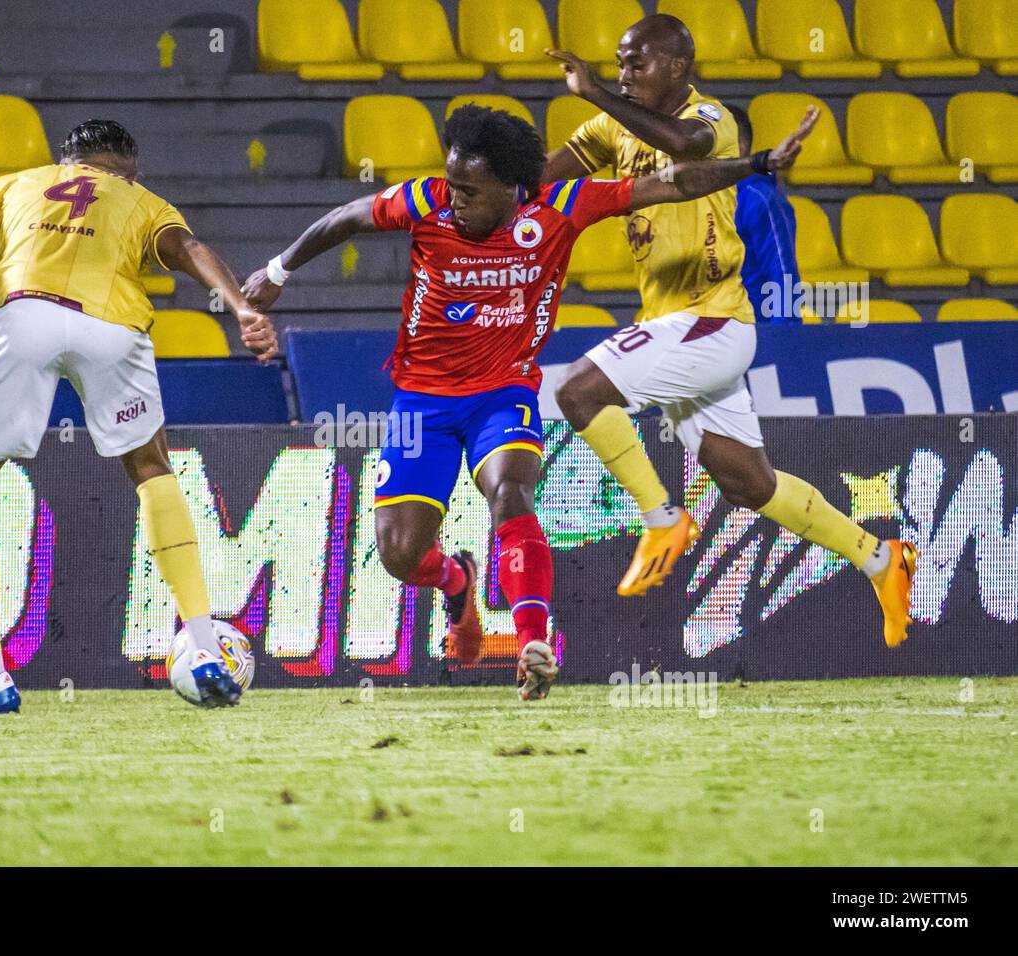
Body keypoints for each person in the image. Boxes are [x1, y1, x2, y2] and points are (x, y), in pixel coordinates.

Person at [243, 103, 818, 700]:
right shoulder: (426, 199)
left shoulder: (561, 207)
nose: (454, 197)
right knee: (398, 554)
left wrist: (756, 164)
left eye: (469, 188)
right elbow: (349, 216)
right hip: (422, 399)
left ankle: (531, 644)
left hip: (504, 390)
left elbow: (672, 183)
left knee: (509, 492)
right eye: (451, 182)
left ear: (513, 187)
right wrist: (279, 271)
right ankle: (455, 578)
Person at [0, 119, 278, 713]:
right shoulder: (141, 201)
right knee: (150, 467)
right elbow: (186, 248)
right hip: (113, 326)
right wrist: (241, 307)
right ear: (128, 173)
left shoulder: (20, 184)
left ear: (69, 162)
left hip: (24, 315)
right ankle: (203, 642)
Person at [544, 15, 916, 648]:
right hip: (673, 326)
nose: (624, 74)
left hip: (710, 322)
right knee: (749, 483)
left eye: (638, 63)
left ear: (678, 68)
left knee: (578, 392)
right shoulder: (612, 126)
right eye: (619, 63)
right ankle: (881, 558)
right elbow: (546, 174)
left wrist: (596, 91)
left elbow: (683, 146)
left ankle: (662, 520)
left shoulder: (710, 119)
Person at [725, 103, 801, 323]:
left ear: (738, 147)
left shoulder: (760, 198)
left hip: (756, 335)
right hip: (711, 338)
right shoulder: (702, 200)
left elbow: (783, 274)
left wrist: (783, 340)